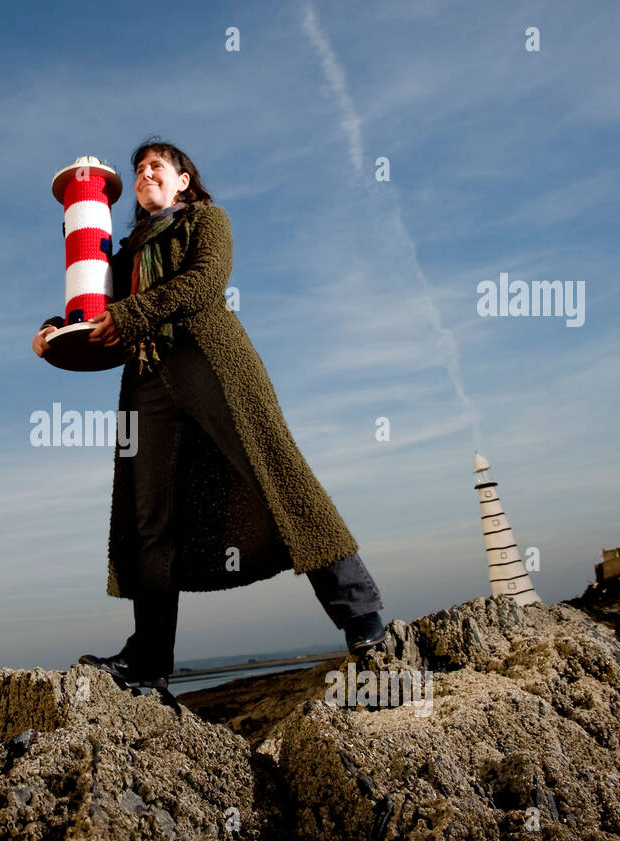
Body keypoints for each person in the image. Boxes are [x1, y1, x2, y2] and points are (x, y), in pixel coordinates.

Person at [32, 138, 388, 691]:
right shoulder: (123, 253)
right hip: (147, 378)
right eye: (138, 169)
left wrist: (132, 313)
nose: (145, 173)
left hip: (213, 360)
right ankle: (148, 660)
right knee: (150, 519)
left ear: (182, 181)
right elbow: (97, 307)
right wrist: (56, 330)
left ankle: (361, 616)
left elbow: (204, 283)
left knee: (277, 474)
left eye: (157, 166)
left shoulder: (206, 220)